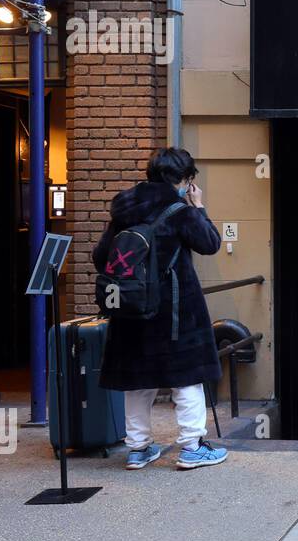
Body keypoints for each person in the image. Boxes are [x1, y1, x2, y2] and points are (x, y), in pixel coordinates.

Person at [94, 147, 227, 470]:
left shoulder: (125, 208)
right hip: (175, 312)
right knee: (186, 378)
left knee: (138, 381)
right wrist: (199, 207)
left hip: (131, 309)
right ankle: (192, 446)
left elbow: (101, 256)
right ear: (184, 179)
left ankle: (138, 449)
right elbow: (210, 243)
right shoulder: (179, 210)